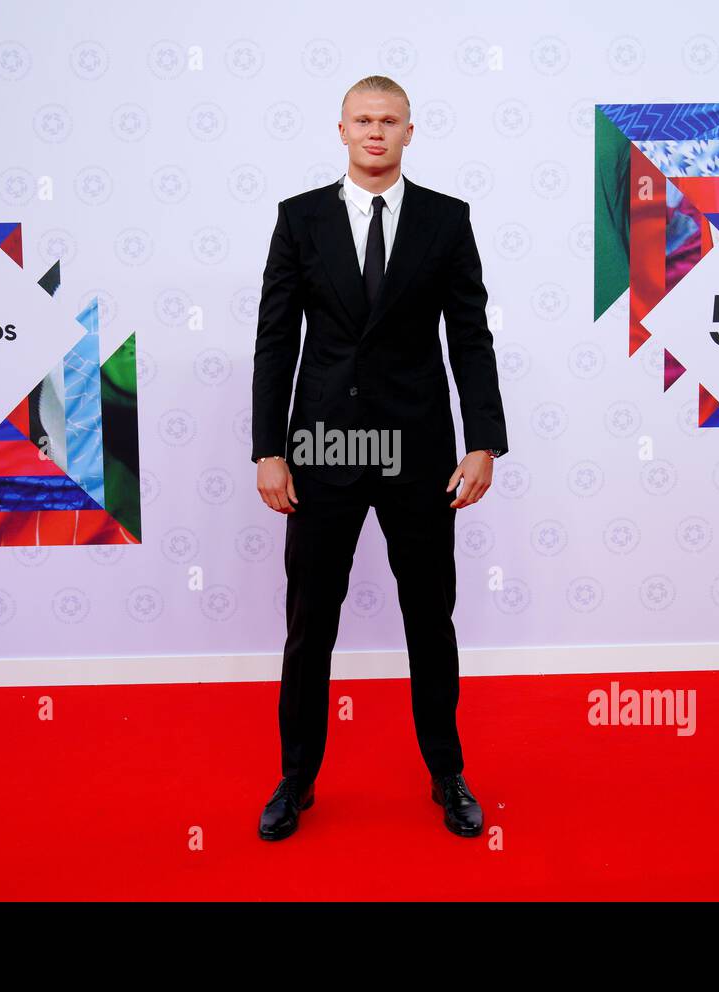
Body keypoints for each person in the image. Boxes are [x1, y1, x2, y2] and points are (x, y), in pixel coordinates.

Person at [250, 74, 508, 840]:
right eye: (362, 119)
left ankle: (447, 774)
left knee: (431, 619)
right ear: (340, 129)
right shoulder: (298, 221)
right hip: (323, 448)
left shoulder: (445, 220)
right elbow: (275, 340)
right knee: (309, 625)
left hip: (418, 451)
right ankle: (296, 781)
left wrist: (484, 441)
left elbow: (470, 335)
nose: (375, 131)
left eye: (388, 120)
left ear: (408, 132)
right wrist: (269, 449)